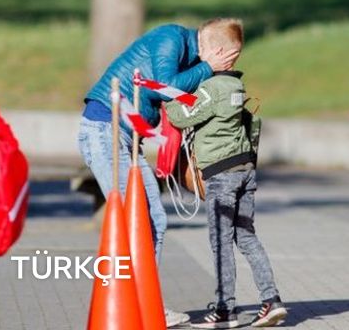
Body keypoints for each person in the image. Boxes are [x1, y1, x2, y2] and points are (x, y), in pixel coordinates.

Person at [78, 20, 240, 328]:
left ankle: (142, 300)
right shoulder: (172, 38)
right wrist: (207, 67)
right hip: (104, 130)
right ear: (217, 50)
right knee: (141, 219)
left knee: (153, 219)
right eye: (228, 61)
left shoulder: (191, 59)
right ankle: (137, 304)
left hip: (126, 136)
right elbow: (167, 87)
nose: (226, 68)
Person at [164, 19, 287, 329]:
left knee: (220, 242)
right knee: (246, 237)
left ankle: (224, 309)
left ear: (218, 51)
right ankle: (271, 301)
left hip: (221, 175)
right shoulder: (235, 85)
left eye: (202, 49)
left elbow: (182, 116)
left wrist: (168, 99)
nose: (199, 55)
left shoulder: (211, 88)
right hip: (245, 170)